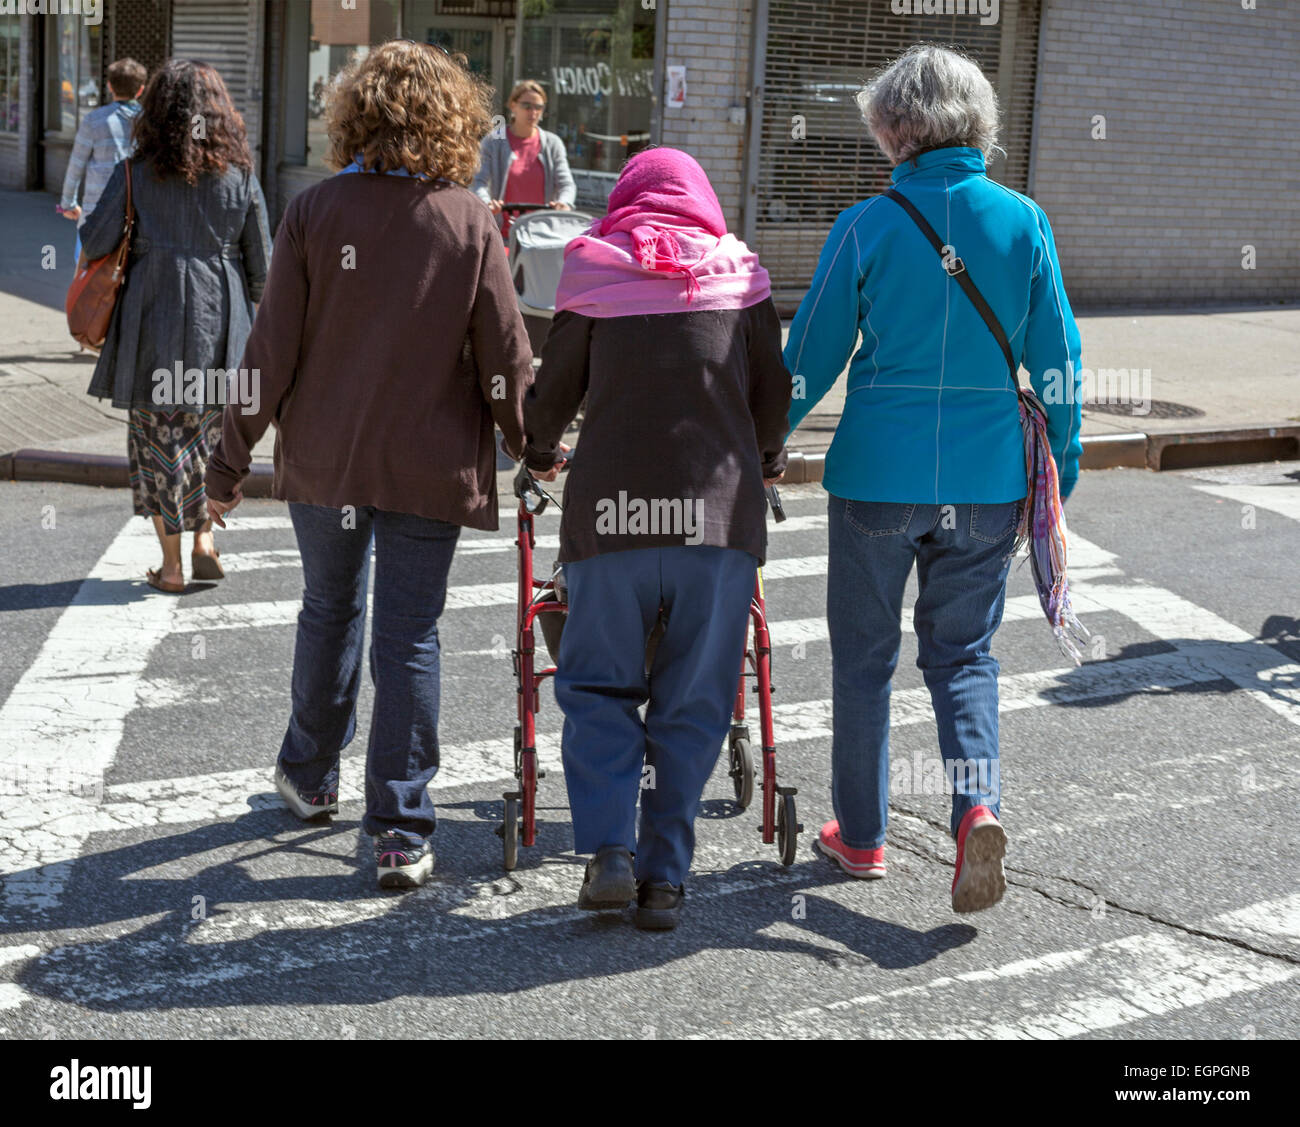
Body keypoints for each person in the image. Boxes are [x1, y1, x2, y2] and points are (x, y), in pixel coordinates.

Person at [204, 40, 534, 891]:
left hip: (329, 458)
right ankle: (400, 827)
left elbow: (268, 352)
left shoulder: (314, 212)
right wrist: (535, 445)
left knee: (328, 608)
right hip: (428, 463)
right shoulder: (468, 221)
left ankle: (312, 777)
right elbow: (506, 358)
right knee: (410, 635)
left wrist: (228, 462)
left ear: (353, 115)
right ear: (453, 122)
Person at [784, 45, 1083, 913]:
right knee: (963, 656)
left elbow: (810, 356)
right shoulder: (1024, 221)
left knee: (865, 660)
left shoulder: (866, 227)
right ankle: (975, 808)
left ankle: (864, 835)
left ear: (894, 128)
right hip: (988, 481)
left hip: (879, 477)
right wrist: (1058, 465)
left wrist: (767, 438)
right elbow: (1057, 358)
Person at [524, 148, 791, 930]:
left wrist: (540, 451)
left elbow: (549, 399)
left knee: (600, 685)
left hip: (613, 521)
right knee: (695, 701)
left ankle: (610, 850)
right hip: (718, 525)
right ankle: (665, 880)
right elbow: (771, 398)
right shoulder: (741, 278)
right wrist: (767, 458)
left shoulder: (593, 271)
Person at [81, 59, 271, 594]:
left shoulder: (135, 171)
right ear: (219, 114)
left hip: (153, 321)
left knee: (160, 440)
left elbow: (95, 241)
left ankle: (170, 566)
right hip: (222, 323)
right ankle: (205, 537)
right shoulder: (242, 178)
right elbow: (264, 271)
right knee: (210, 436)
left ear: (155, 110)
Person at [59, 57, 146, 263]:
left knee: (88, 279)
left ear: (109, 86)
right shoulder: (150, 122)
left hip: (96, 214)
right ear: (141, 90)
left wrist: (68, 204)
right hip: (139, 213)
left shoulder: (94, 120)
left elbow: (76, 165)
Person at [472, 79, 575, 241]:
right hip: (501, 236)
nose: (533, 112)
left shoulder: (552, 143)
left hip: (543, 235)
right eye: (527, 106)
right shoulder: (493, 142)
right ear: (513, 105)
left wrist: (564, 203)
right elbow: (478, 182)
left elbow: (566, 184)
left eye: (538, 107)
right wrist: (487, 203)